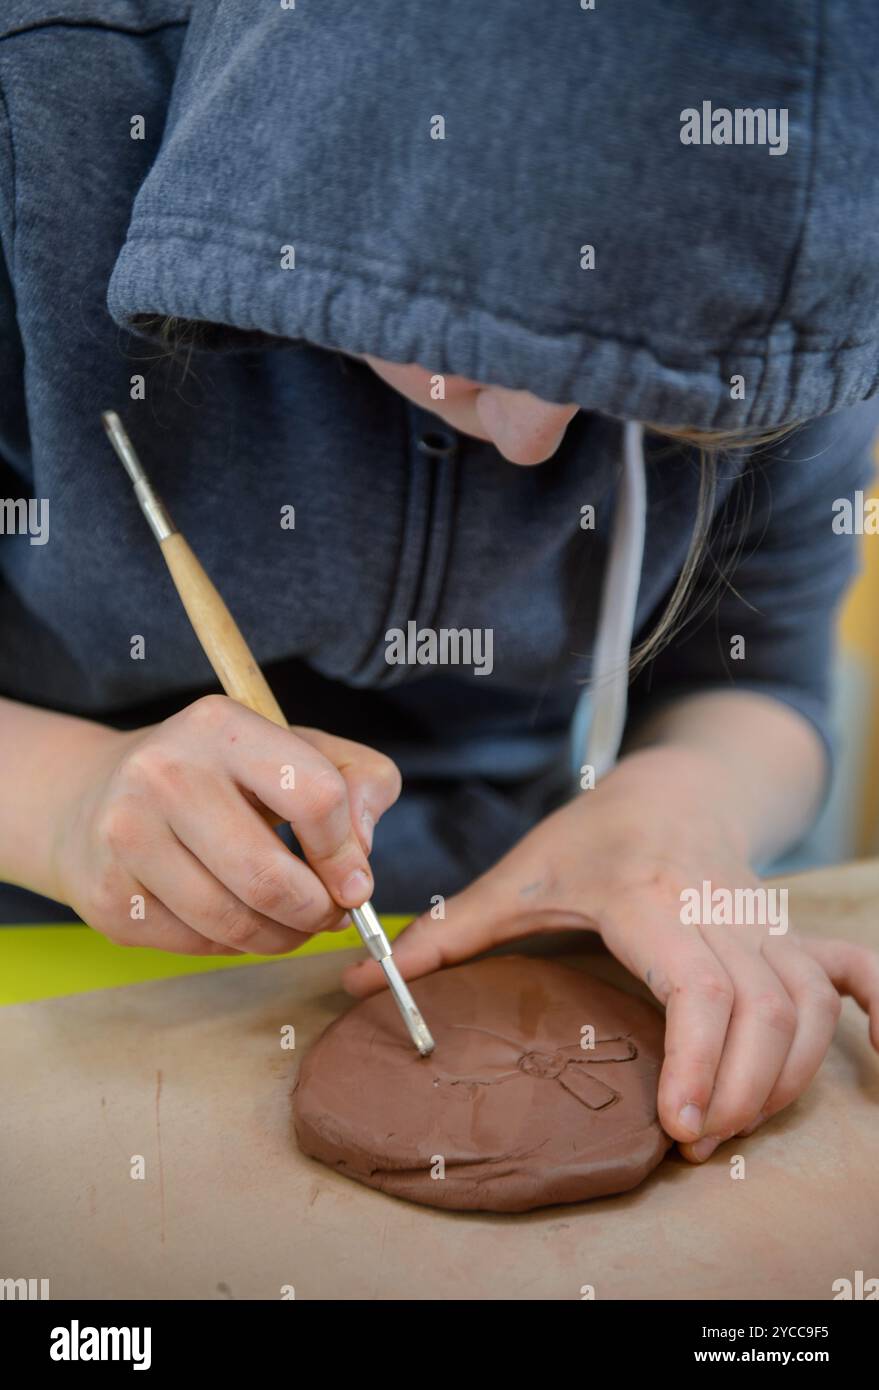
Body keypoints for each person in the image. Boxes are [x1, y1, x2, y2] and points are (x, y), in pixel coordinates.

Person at [1, 0, 877, 1164]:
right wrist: (57, 800)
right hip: (47, 939)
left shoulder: (799, 226)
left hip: (547, 912)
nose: (530, 438)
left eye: (636, 387)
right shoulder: (45, 107)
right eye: (473, 348)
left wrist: (685, 805)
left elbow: (766, 682)